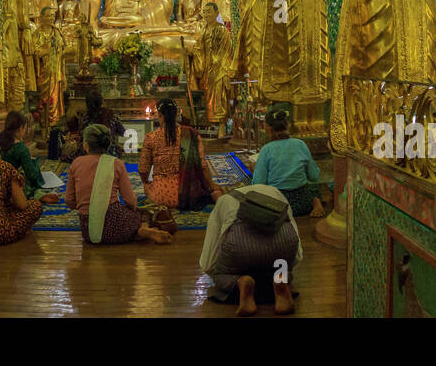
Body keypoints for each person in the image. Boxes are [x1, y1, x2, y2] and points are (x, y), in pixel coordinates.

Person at [200, 184, 302, 316]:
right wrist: (290, 265)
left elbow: (209, 257)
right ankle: (281, 279)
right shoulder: (276, 192)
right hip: (284, 244)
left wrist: (217, 272)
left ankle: (241, 282)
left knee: (221, 277)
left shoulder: (224, 200)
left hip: (240, 247)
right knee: (283, 266)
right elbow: (294, 233)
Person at [66, 124, 173, 245]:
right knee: (144, 214)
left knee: (125, 221)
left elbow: (69, 200)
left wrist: (87, 208)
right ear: (109, 145)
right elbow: (130, 200)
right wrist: (132, 211)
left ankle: (137, 232)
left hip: (88, 231)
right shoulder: (116, 164)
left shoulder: (76, 163)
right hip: (116, 225)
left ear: (86, 145)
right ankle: (141, 230)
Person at [138, 98, 223, 210]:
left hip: (161, 195)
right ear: (177, 114)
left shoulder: (151, 138)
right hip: (189, 193)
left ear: (159, 115)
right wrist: (211, 184)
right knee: (215, 189)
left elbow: (143, 170)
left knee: (147, 187)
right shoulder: (191, 134)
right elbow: (203, 166)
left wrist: (147, 182)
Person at [252, 109, 323, 217]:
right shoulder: (300, 144)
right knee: (313, 186)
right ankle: (316, 203)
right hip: (303, 203)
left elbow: (258, 183)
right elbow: (314, 176)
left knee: (250, 185)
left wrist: (254, 169)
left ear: (267, 128)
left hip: (277, 205)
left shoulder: (267, 149)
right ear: (288, 125)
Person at [0, 110, 60, 203]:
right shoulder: (20, 148)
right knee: (29, 180)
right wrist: (35, 165)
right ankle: (38, 195)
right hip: (13, 187)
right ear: (20, 128)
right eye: (25, 127)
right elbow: (32, 175)